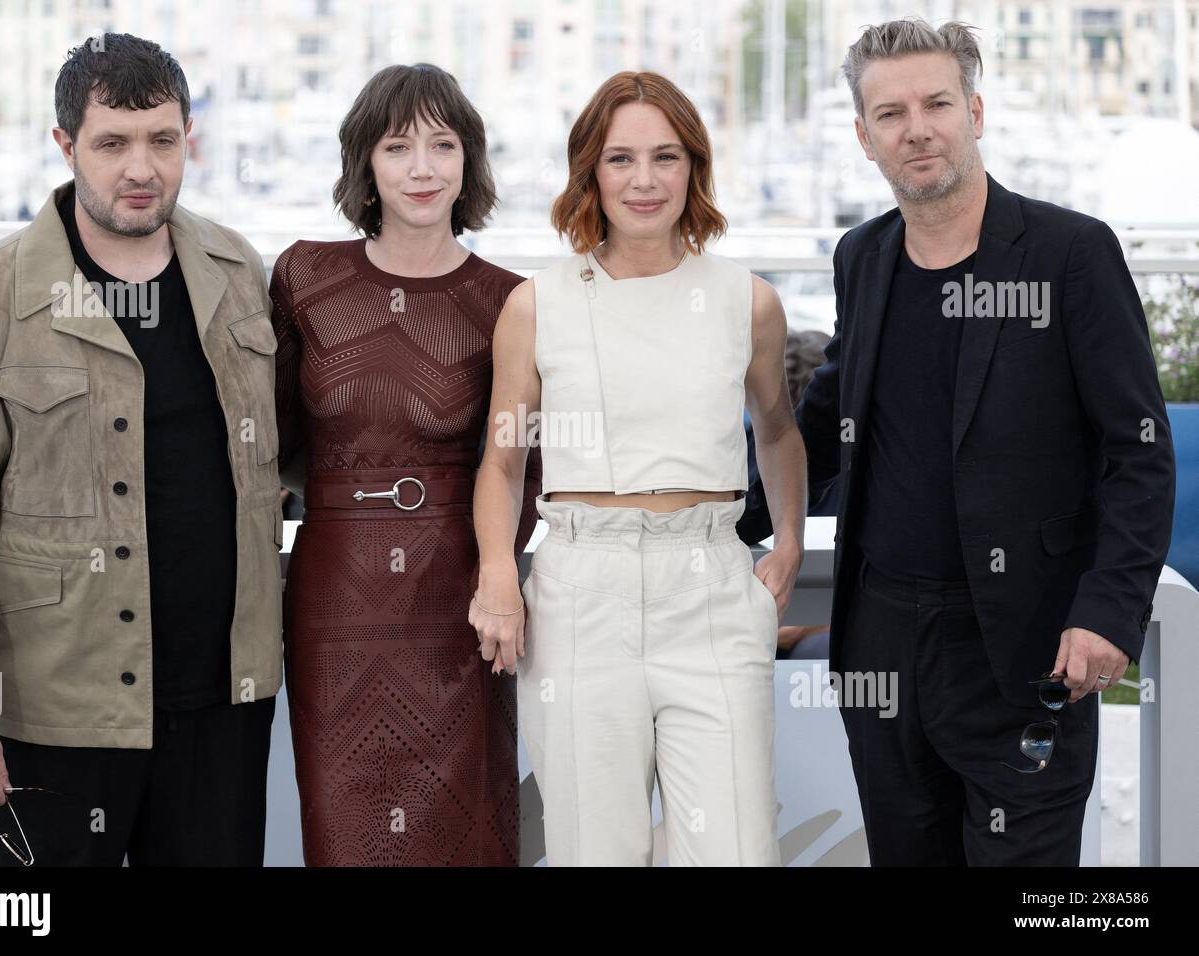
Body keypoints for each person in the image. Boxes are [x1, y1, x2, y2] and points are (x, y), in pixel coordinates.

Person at [794, 18, 1175, 865]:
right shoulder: (863, 256)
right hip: (884, 644)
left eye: (936, 103)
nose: (916, 128)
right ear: (864, 137)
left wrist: (1108, 612)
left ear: (974, 110)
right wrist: (715, 515)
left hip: (1026, 640)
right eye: (890, 113)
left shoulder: (1071, 253)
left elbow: (1138, 451)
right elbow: (827, 417)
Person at [0, 33, 283, 866]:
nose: (140, 167)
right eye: (112, 143)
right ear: (66, 145)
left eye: (162, 139)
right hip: (55, 709)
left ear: (190, 135)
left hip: (220, 700)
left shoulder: (236, 273)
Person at [471, 71, 806, 866]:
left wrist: (786, 541)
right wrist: (496, 577)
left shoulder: (747, 301)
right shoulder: (537, 304)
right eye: (621, 159)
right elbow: (503, 459)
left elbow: (780, 430)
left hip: (714, 589)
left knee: (734, 851)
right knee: (596, 851)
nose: (645, 180)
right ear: (590, 169)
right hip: (583, 593)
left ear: (694, 166)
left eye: (666, 156)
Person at [270, 63, 541, 867]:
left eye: (442, 145)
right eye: (397, 147)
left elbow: (520, 465)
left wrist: (502, 579)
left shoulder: (510, 299)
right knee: (347, 832)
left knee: (467, 827)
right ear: (366, 163)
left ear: (469, 161)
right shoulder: (304, 277)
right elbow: (273, 441)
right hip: (334, 596)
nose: (422, 168)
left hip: (460, 598)